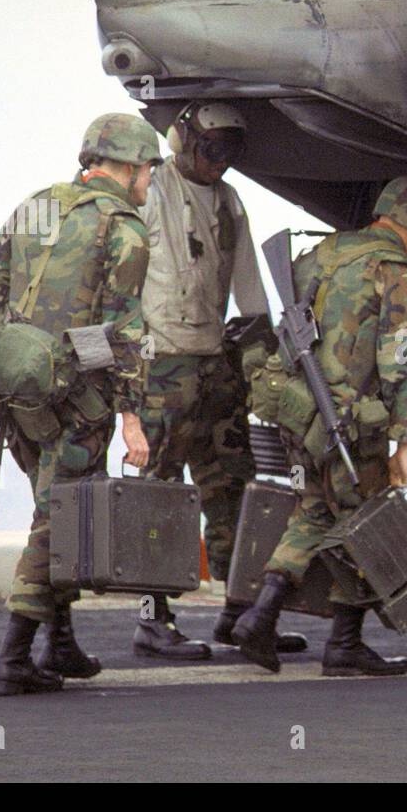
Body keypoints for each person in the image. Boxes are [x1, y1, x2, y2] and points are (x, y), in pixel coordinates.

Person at [232, 176, 407, 676]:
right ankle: (345, 643)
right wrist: (402, 442)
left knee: (312, 513)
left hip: (297, 413)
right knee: (367, 525)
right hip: (350, 426)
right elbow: (400, 364)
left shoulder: (321, 253)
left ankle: (259, 618)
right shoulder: (396, 272)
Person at [0, 113, 158, 695]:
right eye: (149, 171)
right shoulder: (124, 227)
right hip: (79, 397)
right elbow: (123, 327)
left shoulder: (35, 204)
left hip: (18, 388)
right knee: (58, 519)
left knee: (51, 506)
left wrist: (8, 359)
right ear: (130, 168)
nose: (150, 182)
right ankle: (12, 658)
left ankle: (59, 645)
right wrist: (133, 415)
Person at [132, 100, 305, 660]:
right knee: (159, 494)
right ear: (183, 139)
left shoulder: (229, 202)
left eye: (230, 153)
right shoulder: (150, 192)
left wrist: (264, 364)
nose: (219, 163)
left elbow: (250, 291)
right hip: (162, 366)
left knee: (234, 487)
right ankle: (151, 620)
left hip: (217, 364)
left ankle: (239, 610)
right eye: (211, 150)